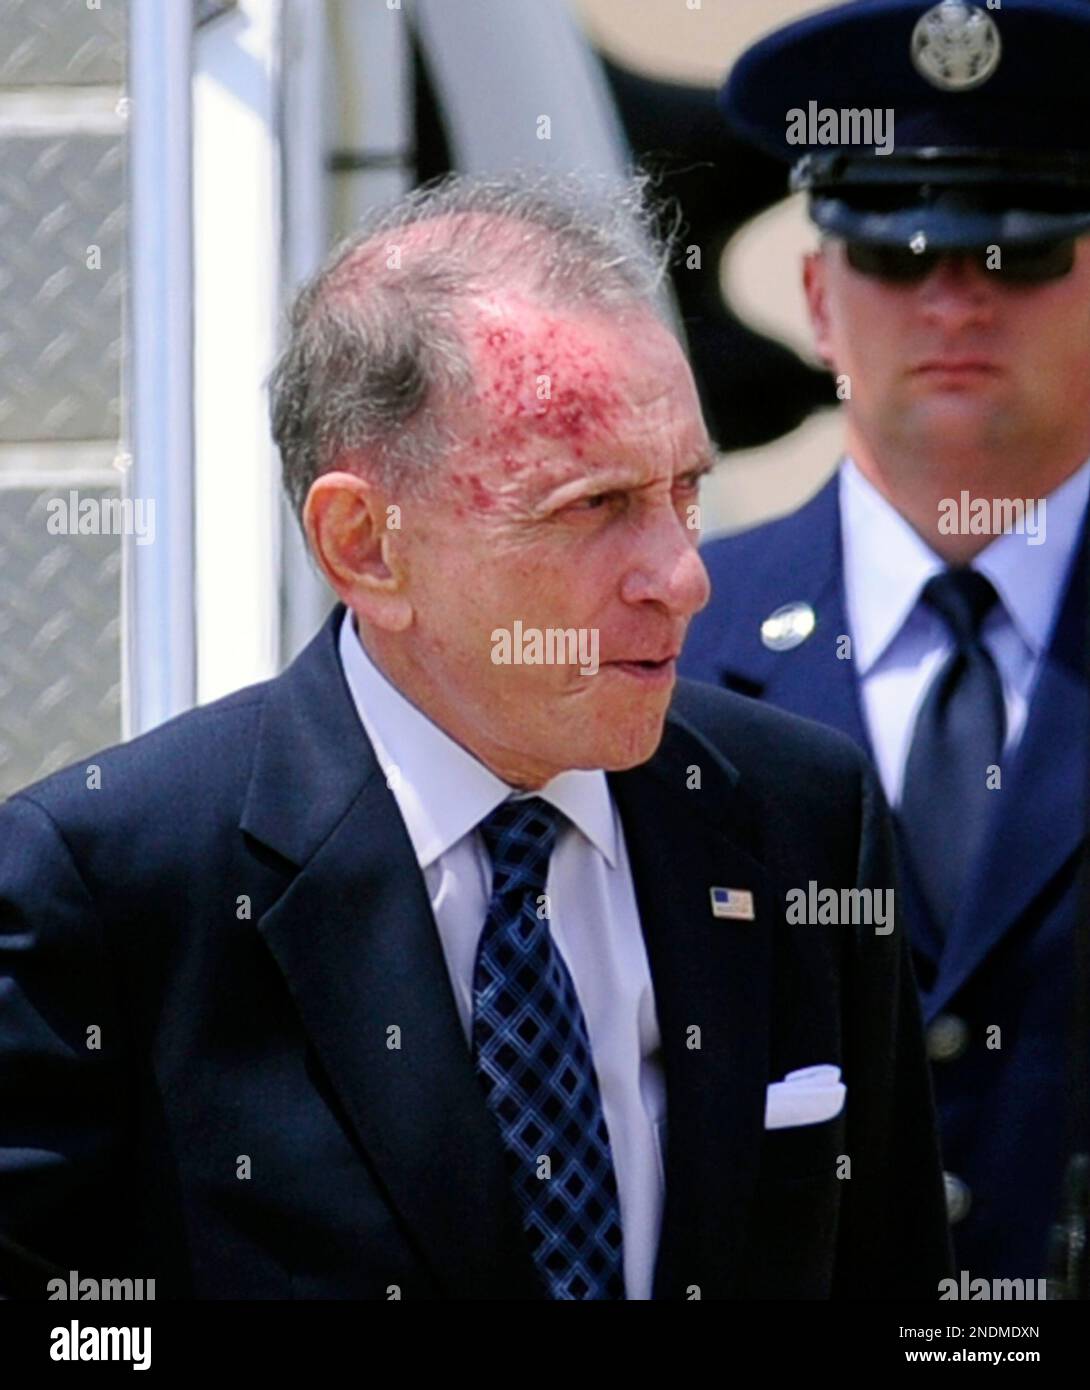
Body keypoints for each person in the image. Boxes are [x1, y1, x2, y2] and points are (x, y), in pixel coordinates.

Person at [0, 172, 950, 1300]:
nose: (683, 576)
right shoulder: (115, 882)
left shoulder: (798, 813)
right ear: (366, 545)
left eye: (684, 492)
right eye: (592, 506)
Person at [681, 0, 1090, 1283]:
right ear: (815, 294)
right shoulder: (664, 645)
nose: (953, 297)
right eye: (896, 250)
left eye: (1016, 253)